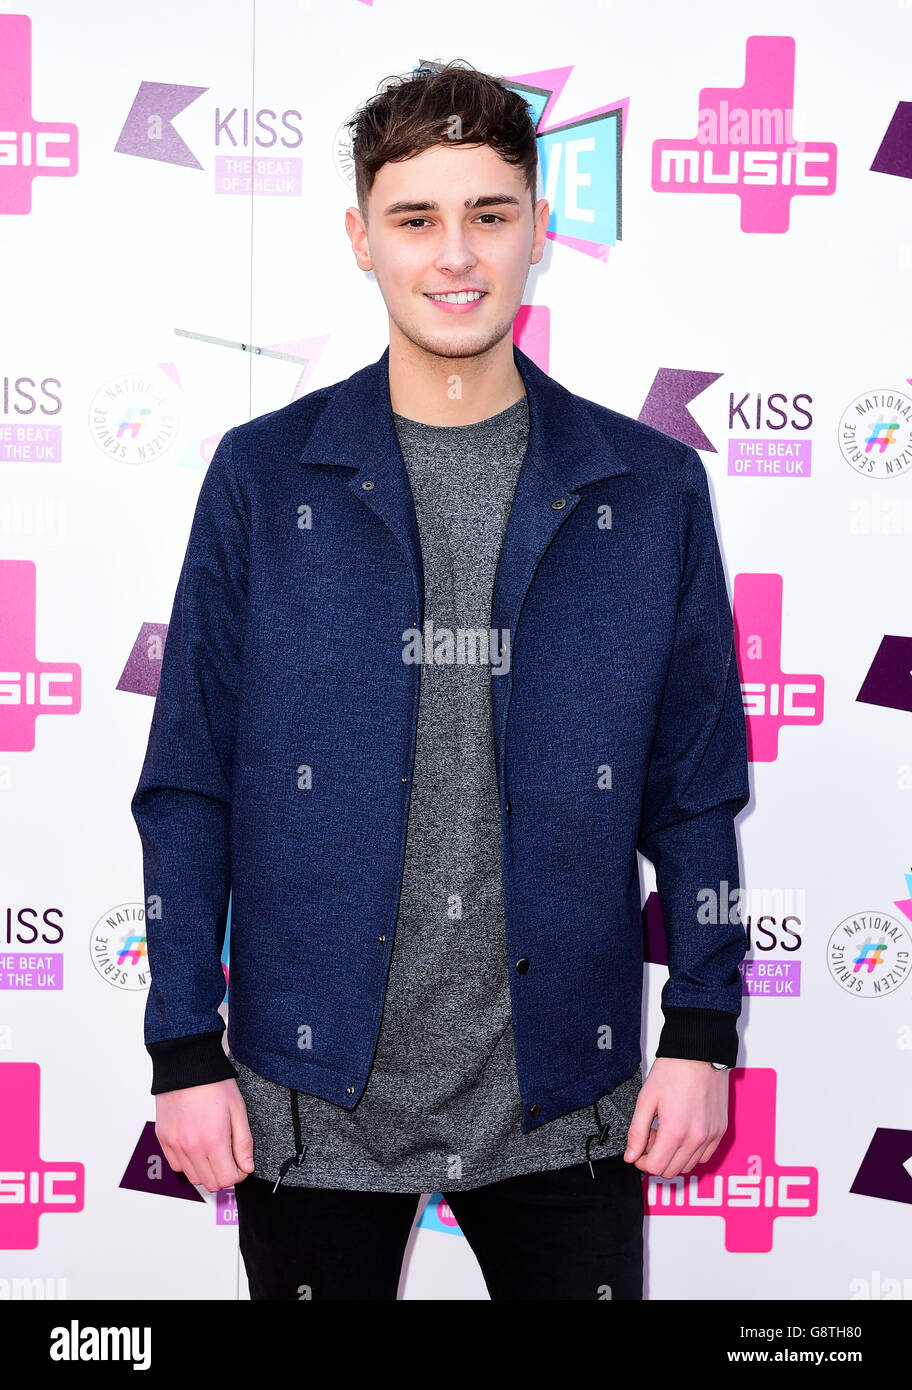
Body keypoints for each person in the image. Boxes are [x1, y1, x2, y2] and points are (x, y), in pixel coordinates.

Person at [131, 59, 750, 1301]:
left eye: (489, 213)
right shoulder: (263, 479)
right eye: (416, 218)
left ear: (538, 230)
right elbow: (190, 782)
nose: (454, 254)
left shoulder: (652, 487)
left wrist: (701, 1029)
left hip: (564, 1095)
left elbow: (694, 794)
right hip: (305, 1097)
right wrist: (181, 1045)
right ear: (361, 239)